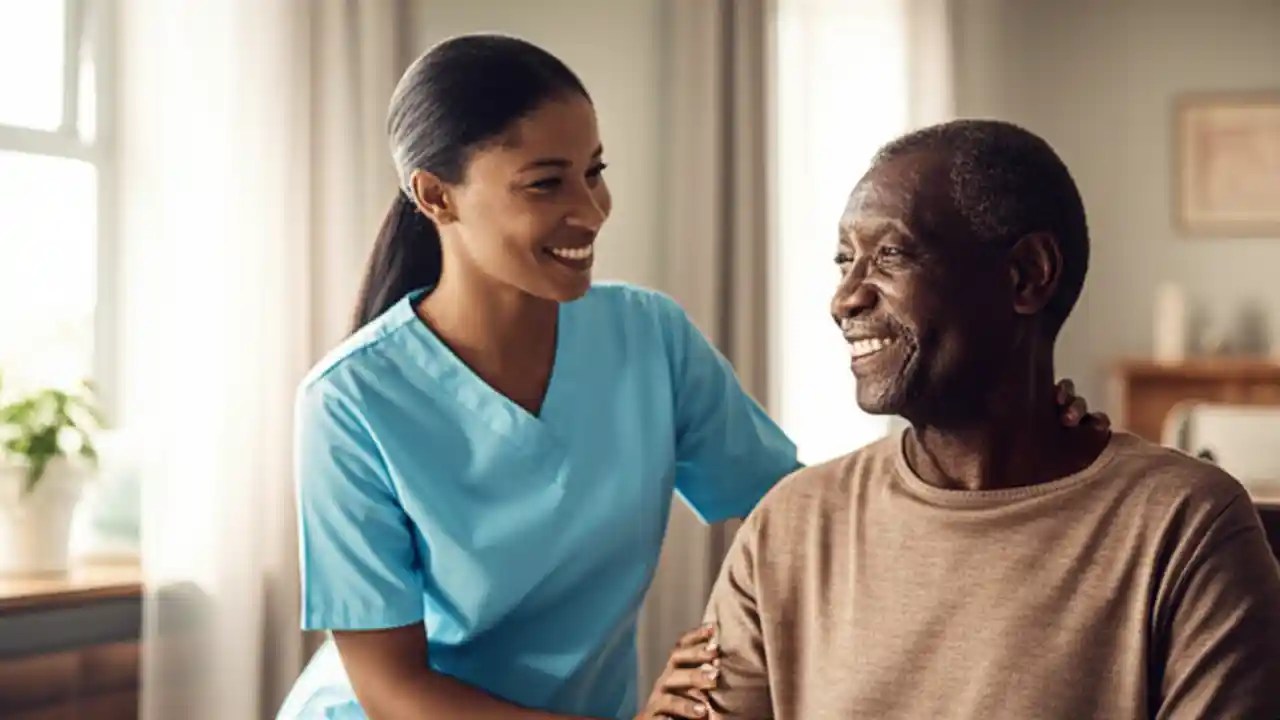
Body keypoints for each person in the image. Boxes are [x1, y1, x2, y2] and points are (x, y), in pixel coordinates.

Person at [277, 36, 1105, 720]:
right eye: (547, 183)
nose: (592, 209)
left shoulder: (647, 336)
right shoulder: (348, 402)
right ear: (436, 197)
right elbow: (392, 688)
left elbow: (801, 517)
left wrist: (1016, 435)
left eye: (595, 171)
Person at [701, 119, 1280, 719]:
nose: (845, 297)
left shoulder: (1186, 528)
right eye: (845, 259)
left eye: (890, 254)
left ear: (1027, 274)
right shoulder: (788, 527)